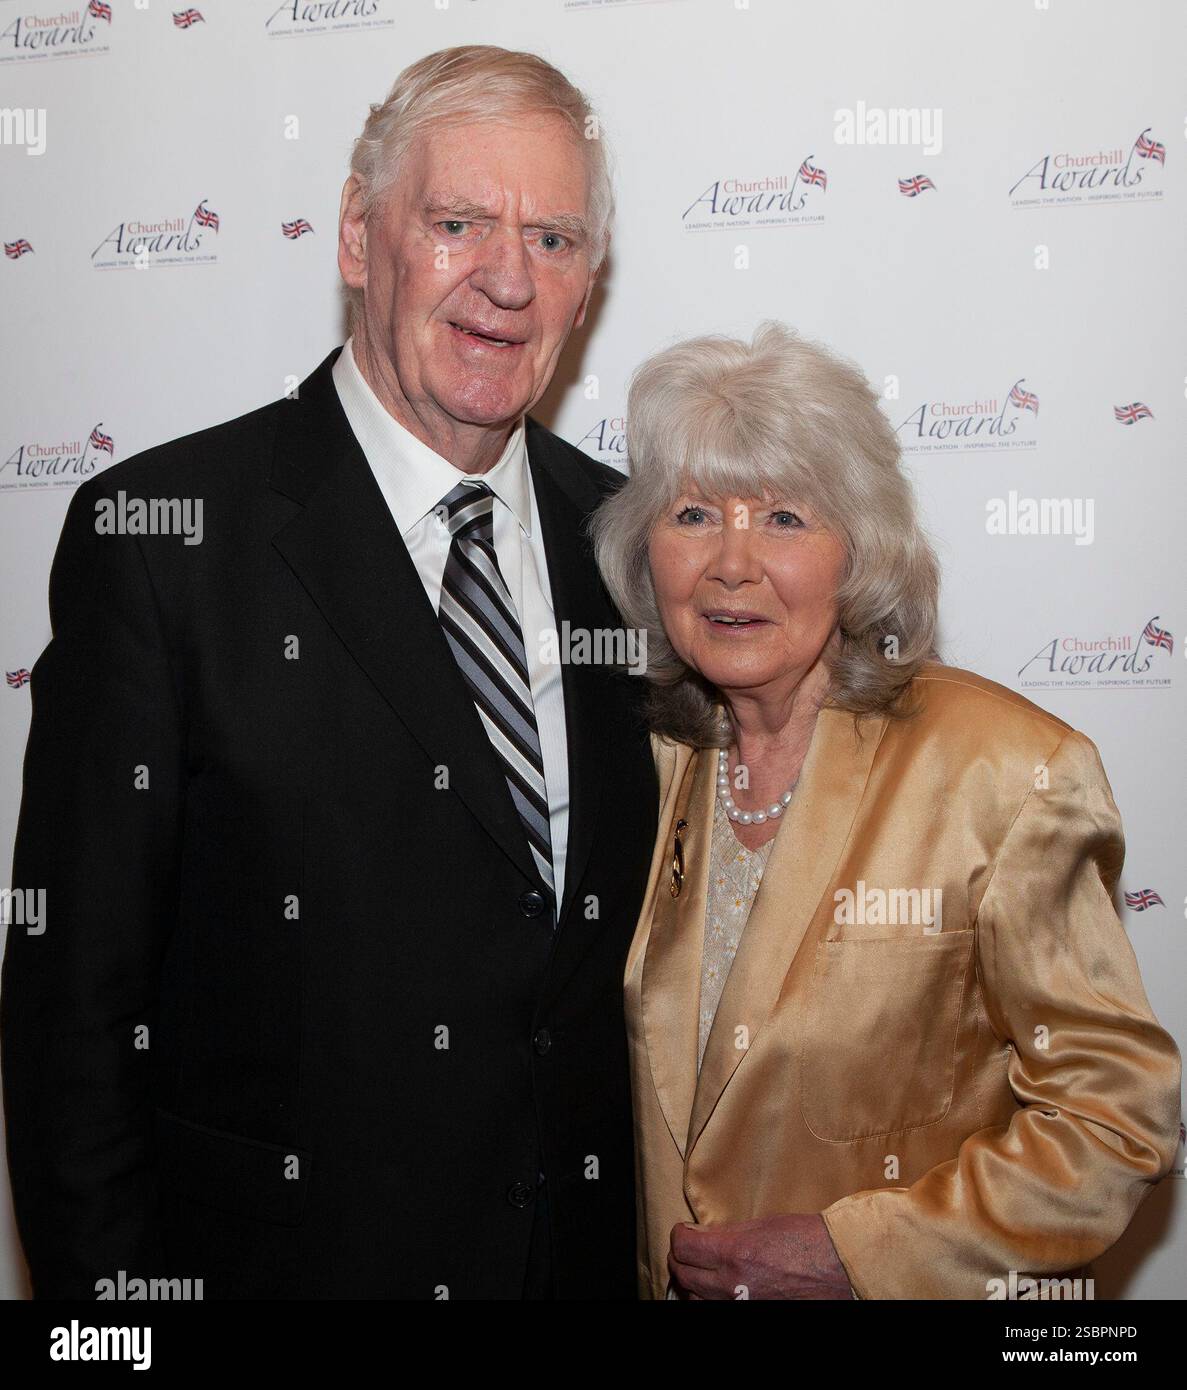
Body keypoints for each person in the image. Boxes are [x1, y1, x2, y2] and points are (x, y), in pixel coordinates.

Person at [1, 45, 657, 1300]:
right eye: (457, 223)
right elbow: (72, 1025)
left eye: (556, 239)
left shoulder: (630, 547)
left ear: (588, 281)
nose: (507, 279)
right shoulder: (163, 542)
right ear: (360, 236)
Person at [591, 320, 1182, 1300]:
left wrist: (865, 1255)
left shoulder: (1003, 770)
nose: (730, 564)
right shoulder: (647, 766)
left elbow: (1113, 1118)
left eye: (783, 518)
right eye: (693, 514)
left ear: (857, 552)